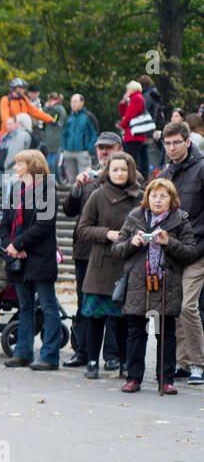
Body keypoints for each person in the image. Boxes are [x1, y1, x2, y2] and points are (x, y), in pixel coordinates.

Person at [111, 179, 196, 393]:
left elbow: (191, 252)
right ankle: (133, 378)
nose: (158, 200)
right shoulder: (135, 217)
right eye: (154, 195)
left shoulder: (181, 220)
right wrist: (133, 243)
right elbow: (116, 249)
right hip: (139, 284)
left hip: (166, 284)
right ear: (147, 198)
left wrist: (170, 242)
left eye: (163, 196)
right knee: (136, 332)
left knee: (165, 334)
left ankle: (165, 380)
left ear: (172, 200)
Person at [62, 131, 128, 372]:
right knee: (84, 305)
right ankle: (83, 352)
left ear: (118, 148)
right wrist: (77, 188)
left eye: (108, 148)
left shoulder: (127, 176)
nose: (103, 152)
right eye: (100, 148)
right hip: (85, 251)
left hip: (113, 252)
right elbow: (69, 211)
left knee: (112, 304)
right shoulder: (88, 176)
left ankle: (112, 355)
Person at [75, 151, 139, 379]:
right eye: (115, 169)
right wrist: (107, 233)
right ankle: (92, 362)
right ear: (107, 172)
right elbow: (83, 228)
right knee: (95, 318)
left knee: (123, 320)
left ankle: (124, 362)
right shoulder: (98, 195)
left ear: (130, 171)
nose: (120, 174)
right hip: (100, 265)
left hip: (128, 265)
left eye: (123, 169)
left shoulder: (139, 196)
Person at [2, 149, 62, 371]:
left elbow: (43, 225)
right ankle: (23, 352)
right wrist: (11, 246)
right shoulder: (17, 189)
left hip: (39, 256)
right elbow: (7, 220)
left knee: (47, 305)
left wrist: (19, 244)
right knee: (24, 305)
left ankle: (50, 355)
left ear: (32, 166)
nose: (15, 168)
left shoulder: (48, 190)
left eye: (20, 164)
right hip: (18, 257)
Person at [158, 120, 204, 384]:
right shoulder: (166, 173)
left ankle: (198, 363)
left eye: (177, 142)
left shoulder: (202, 167)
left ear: (188, 142)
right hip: (172, 249)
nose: (172, 148)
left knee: (188, 306)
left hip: (198, 249)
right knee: (174, 306)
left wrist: (198, 247)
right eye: (167, 143)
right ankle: (184, 363)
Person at [61, 94, 98, 186]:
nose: (73, 104)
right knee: (72, 180)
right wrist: (64, 148)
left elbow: (94, 133)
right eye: (72, 102)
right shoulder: (68, 118)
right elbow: (64, 134)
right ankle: (74, 199)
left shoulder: (88, 116)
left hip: (83, 153)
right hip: (69, 152)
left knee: (86, 179)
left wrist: (89, 149)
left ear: (82, 102)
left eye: (76, 101)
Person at [119, 80, 152, 178]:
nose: (127, 91)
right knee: (139, 157)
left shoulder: (136, 98)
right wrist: (123, 102)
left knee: (133, 158)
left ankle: (135, 177)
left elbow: (130, 115)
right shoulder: (134, 98)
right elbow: (123, 113)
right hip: (135, 134)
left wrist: (122, 125)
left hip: (133, 135)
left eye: (128, 89)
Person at [42, 92, 66, 176]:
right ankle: (50, 183)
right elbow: (43, 115)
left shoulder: (59, 108)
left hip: (56, 141)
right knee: (48, 164)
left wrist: (48, 107)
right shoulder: (50, 109)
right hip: (49, 141)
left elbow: (61, 121)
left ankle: (55, 182)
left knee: (54, 164)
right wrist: (46, 107)